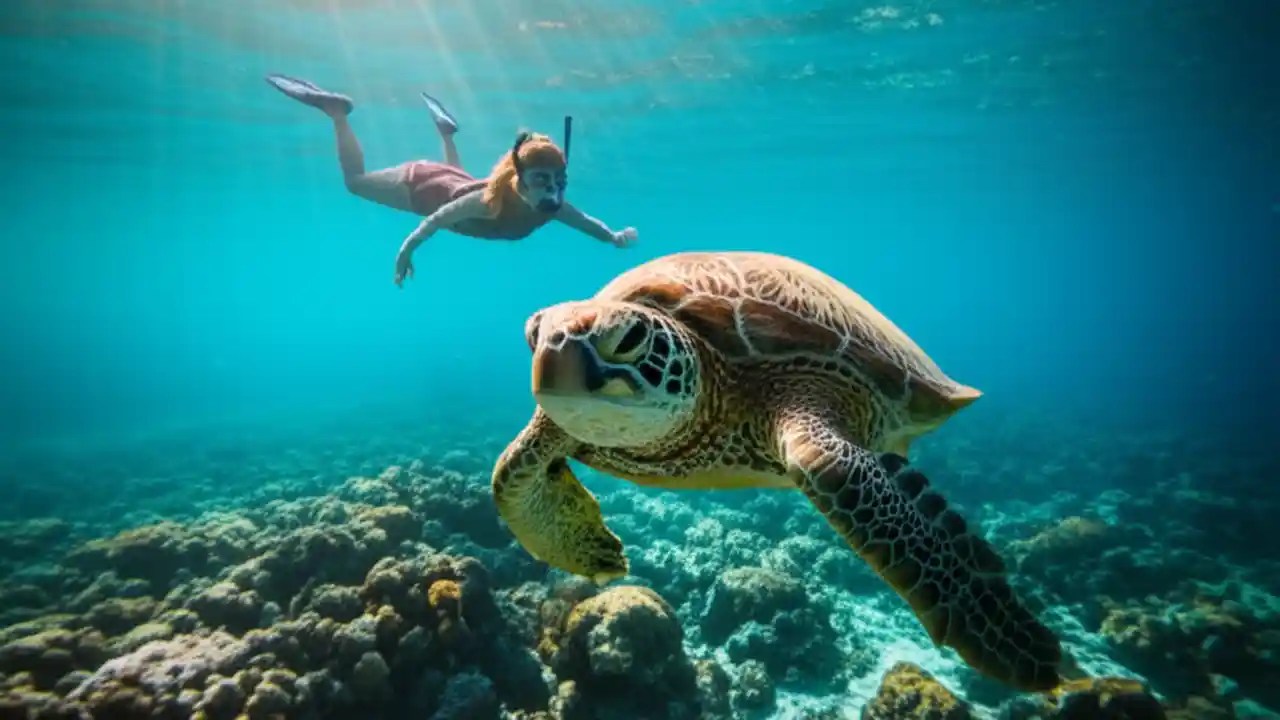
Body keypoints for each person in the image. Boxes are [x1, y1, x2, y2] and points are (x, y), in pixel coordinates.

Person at [264, 74, 639, 287]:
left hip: (456, 180)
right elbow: (436, 220)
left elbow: (587, 224)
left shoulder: (551, 207)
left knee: (462, 181)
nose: (553, 191)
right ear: (521, 179)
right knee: (355, 182)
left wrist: (615, 237)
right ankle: (336, 113)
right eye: (542, 180)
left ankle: (447, 132)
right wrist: (405, 253)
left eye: (558, 181)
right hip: (420, 185)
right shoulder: (487, 202)